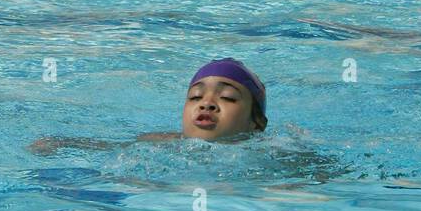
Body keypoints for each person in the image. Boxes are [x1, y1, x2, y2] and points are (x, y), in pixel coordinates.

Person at [30, 58, 267, 154]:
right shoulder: (161, 142)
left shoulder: (272, 149)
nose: (207, 104)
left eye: (227, 97)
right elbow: (110, 147)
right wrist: (62, 143)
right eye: (195, 97)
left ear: (256, 122)